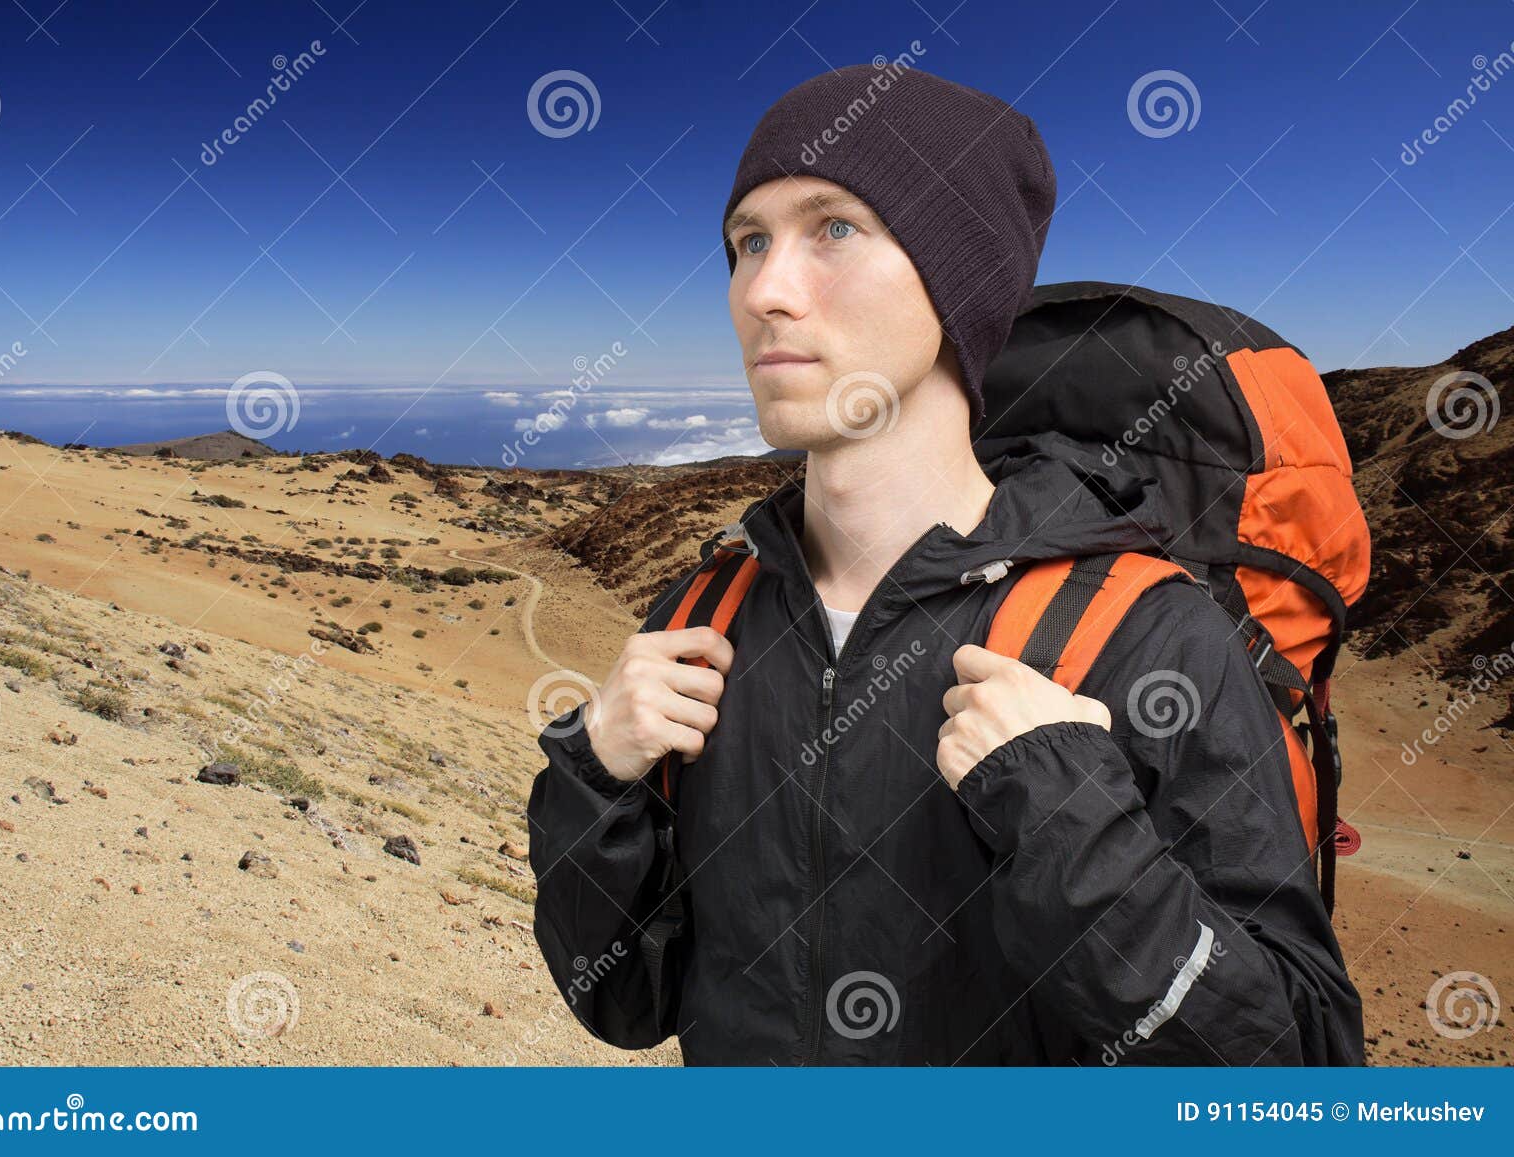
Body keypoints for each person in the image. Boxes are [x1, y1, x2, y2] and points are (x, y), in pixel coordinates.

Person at [525, 65, 1365, 1065]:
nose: (763, 290)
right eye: (748, 242)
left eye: (833, 228)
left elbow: (1299, 1064)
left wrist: (1069, 819)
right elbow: (622, 1000)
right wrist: (595, 778)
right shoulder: (707, 618)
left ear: (957, 279)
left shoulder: (1142, 630)